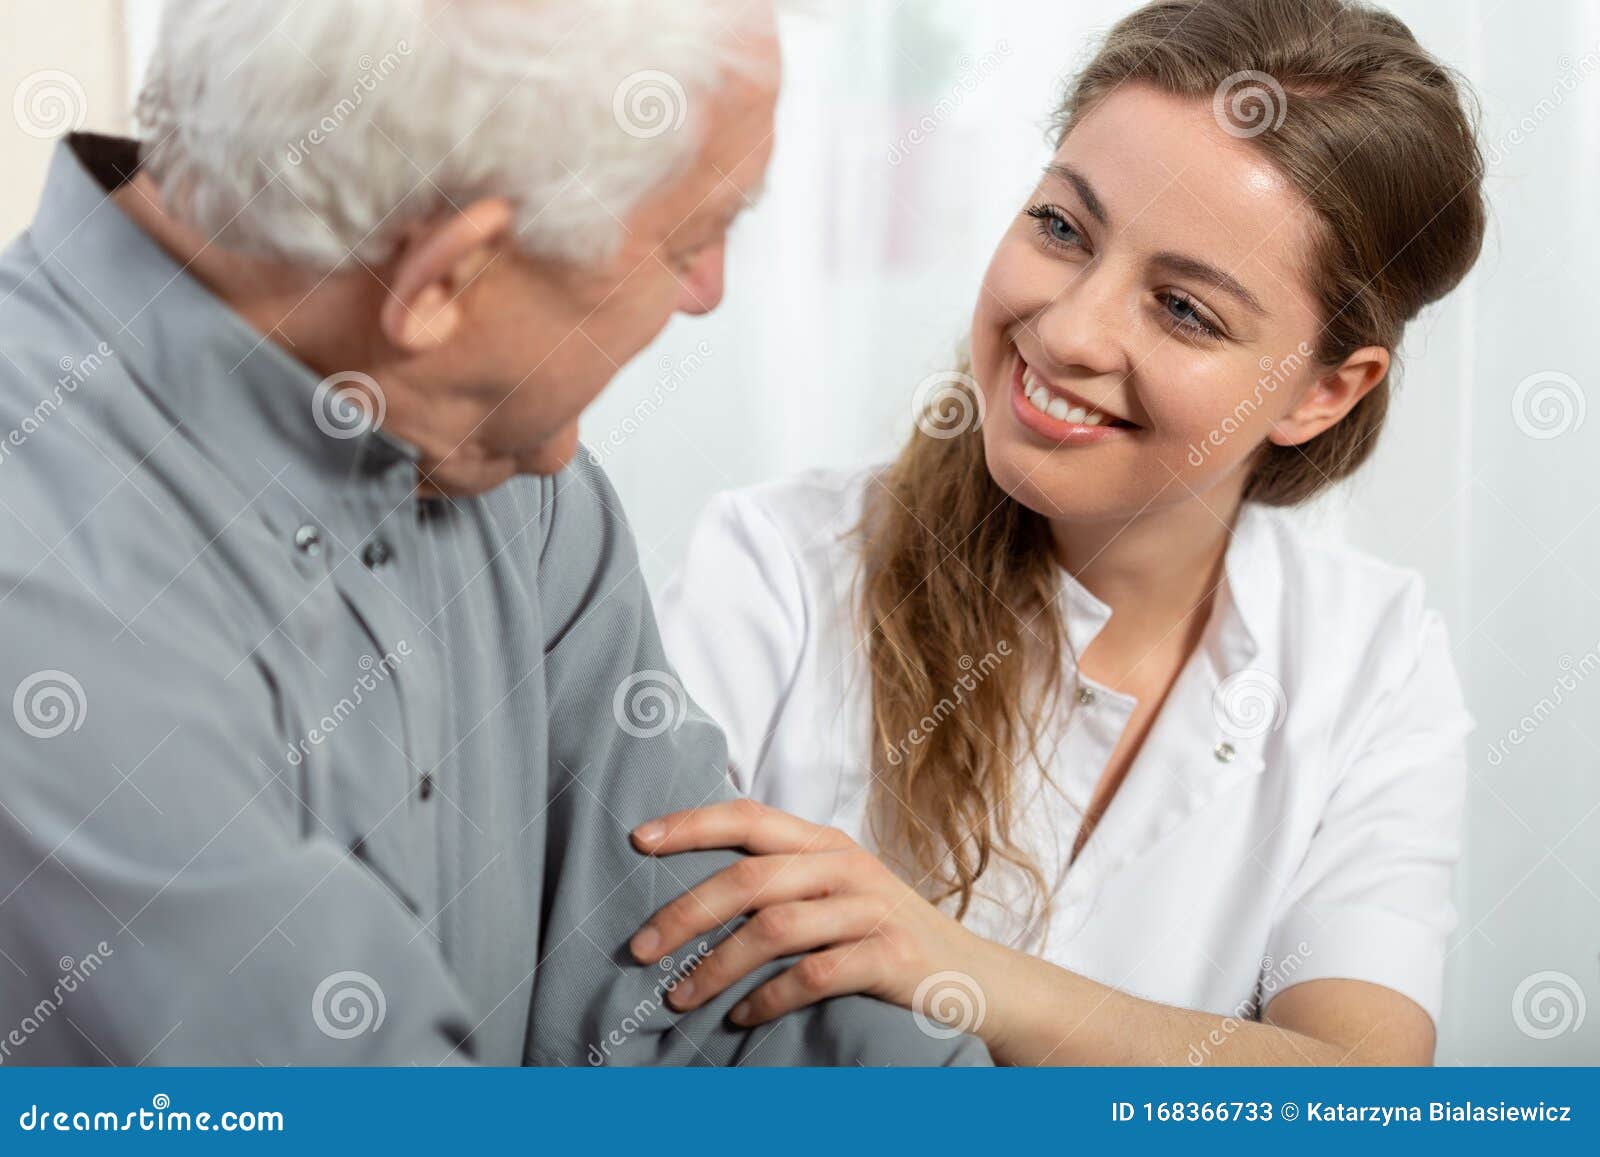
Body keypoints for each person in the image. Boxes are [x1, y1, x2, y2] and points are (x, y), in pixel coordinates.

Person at [0, 0, 988, 1066]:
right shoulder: (43, 559)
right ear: (443, 281)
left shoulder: (505, 464)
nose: (710, 293)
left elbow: (727, 971)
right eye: (692, 238)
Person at [647, 0, 1487, 1065]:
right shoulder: (770, 571)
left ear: (1323, 390)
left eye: (1183, 308)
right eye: (1060, 228)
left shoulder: (1371, 658)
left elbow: (1365, 1098)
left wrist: (951, 964)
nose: (1069, 329)